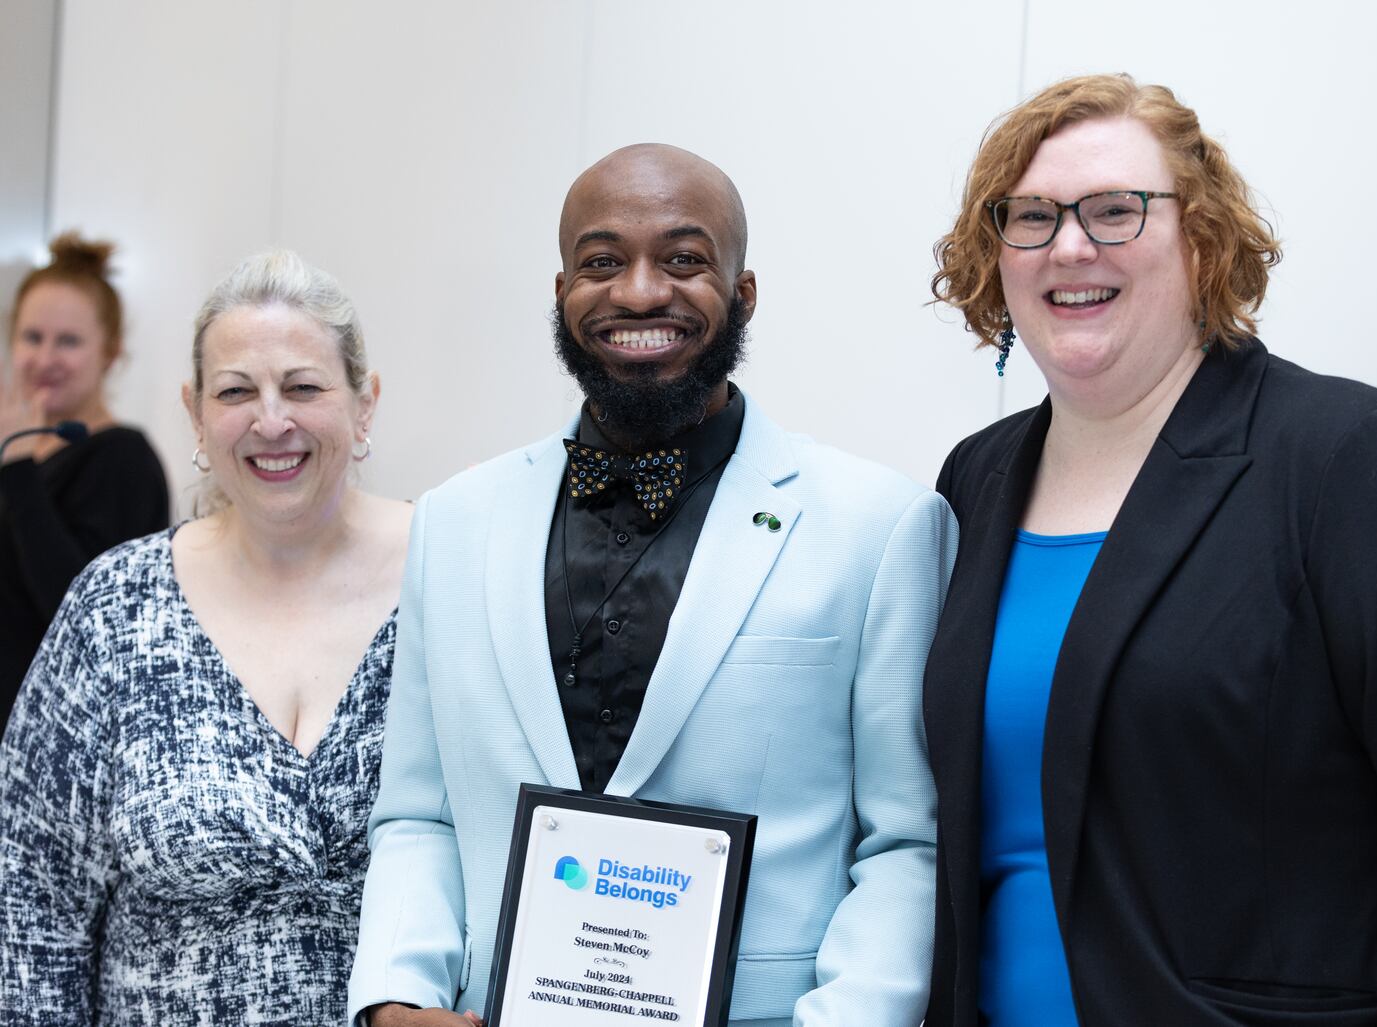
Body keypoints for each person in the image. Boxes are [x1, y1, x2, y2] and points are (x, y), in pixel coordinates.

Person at [348, 143, 957, 1027]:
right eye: (601, 262)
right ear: (560, 293)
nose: (638, 292)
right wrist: (399, 993)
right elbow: (417, 812)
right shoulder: (453, 520)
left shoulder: (881, 524)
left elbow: (907, 839)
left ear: (742, 294)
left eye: (683, 258)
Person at [923, 73, 1377, 1026]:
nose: (1071, 244)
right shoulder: (976, 480)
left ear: (1202, 239)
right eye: (1031, 216)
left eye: (1116, 210)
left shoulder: (1346, 461)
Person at [0, 250, 413, 1024]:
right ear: (195, 414)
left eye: (302, 386)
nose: (271, 420)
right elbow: (31, 899)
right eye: (235, 391)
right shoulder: (116, 605)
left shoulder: (448, 582)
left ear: (365, 404)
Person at [0, 232, 168, 721]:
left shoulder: (123, 459)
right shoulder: (21, 451)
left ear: (110, 355)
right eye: (32, 337)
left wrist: (18, 473)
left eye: (68, 341)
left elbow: (83, 614)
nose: (45, 358)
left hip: (46, 746)